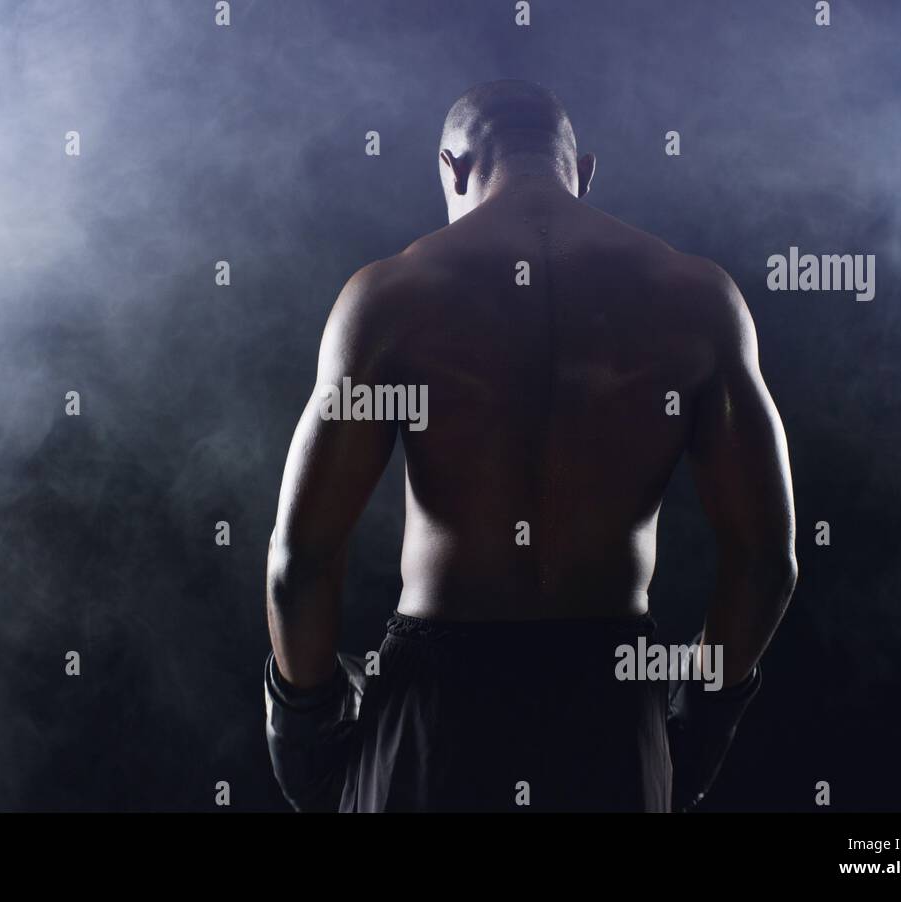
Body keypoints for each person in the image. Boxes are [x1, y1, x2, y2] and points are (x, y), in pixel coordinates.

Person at [263, 79, 797, 812]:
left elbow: (302, 562)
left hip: (438, 705)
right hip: (611, 698)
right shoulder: (699, 298)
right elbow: (766, 564)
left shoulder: (391, 297)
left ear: (450, 167)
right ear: (583, 171)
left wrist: (303, 729)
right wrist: (694, 729)